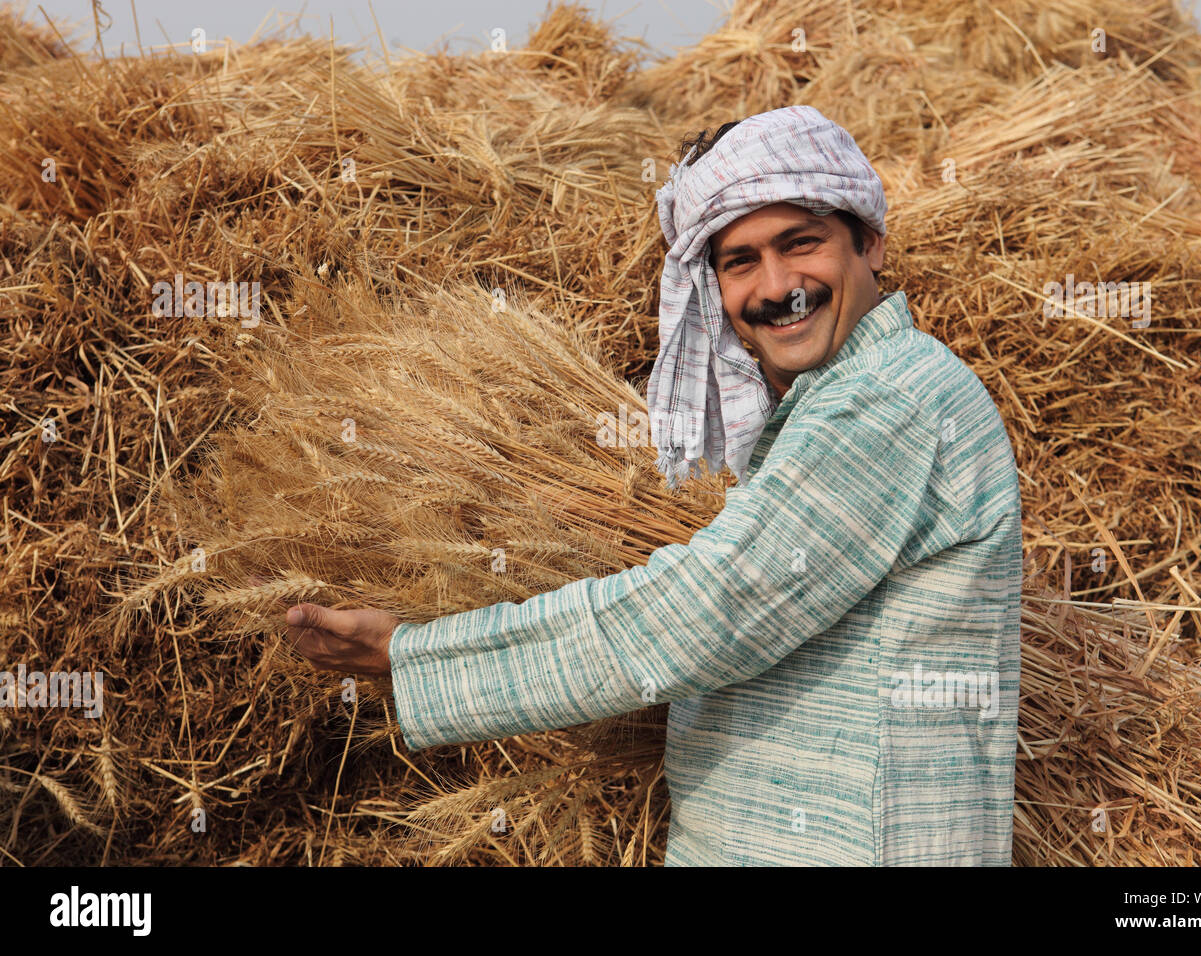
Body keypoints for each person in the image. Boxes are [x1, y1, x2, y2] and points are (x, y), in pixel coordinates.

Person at [284, 105, 1023, 866]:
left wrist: (413, 656)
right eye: (740, 261)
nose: (778, 287)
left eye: (800, 244)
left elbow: (702, 613)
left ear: (868, 241)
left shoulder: (888, 402)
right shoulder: (835, 399)